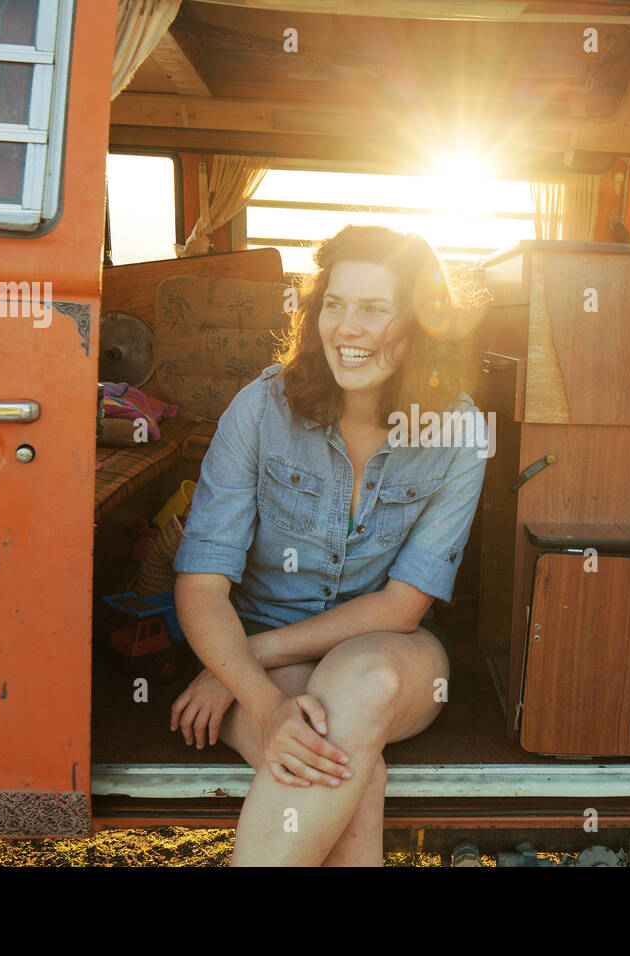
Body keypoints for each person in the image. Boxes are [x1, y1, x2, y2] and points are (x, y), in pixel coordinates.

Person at [169, 225, 488, 866]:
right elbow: (200, 583)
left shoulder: (459, 432)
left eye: (375, 309)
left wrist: (242, 660)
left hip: (389, 652)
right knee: (352, 779)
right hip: (260, 656)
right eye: (335, 305)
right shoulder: (260, 410)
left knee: (365, 681)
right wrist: (262, 703)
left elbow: (402, 609)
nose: (348, 327)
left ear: (422, 322)